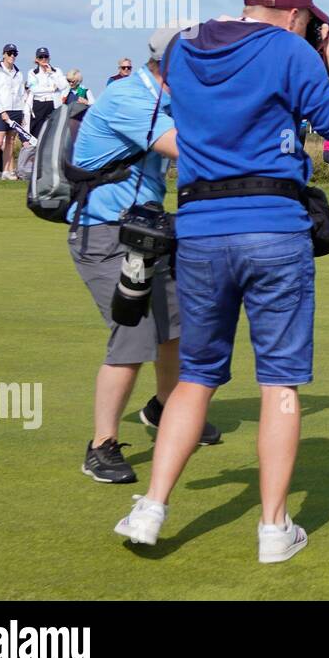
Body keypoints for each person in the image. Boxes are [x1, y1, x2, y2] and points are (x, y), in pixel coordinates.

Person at [114, 0, 329, 561]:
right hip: (273, 228)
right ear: (298, 16)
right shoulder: (290, 51)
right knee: (278, 379)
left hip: (199, 229)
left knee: (196, 376)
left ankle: (151, 508)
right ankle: (274, 530)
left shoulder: (182, 50)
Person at [71, 26, 222, 485]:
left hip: (147, 231)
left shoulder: (171, 96)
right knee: (133, 334)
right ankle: (101, 445)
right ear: (172, 63)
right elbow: (184, 148)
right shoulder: (128, 98)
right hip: (103, 232)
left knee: (176, 327)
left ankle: (162, 409)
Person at [0, 43, 25, 180]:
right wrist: (2, 111)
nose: (12, 56)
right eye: (9, 53)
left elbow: (21, 94)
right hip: (1, 109)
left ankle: (6, 171)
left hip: (16, 110)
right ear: (4, 54)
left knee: (11, 141)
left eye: (15, 53)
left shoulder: (18, 73)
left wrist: (23, 112)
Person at [25, 46, 70, 137]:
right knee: (36, 134)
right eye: (41, 57)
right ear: (37, 59)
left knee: (52, 134)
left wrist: (52, 74)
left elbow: (63, 86)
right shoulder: (32, 72)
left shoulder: (57, 71)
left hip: (53, 104)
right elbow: (35, 89)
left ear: (49, 58)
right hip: (39, 105)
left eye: (45, 57)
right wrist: (52, 89)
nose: (43, 59)